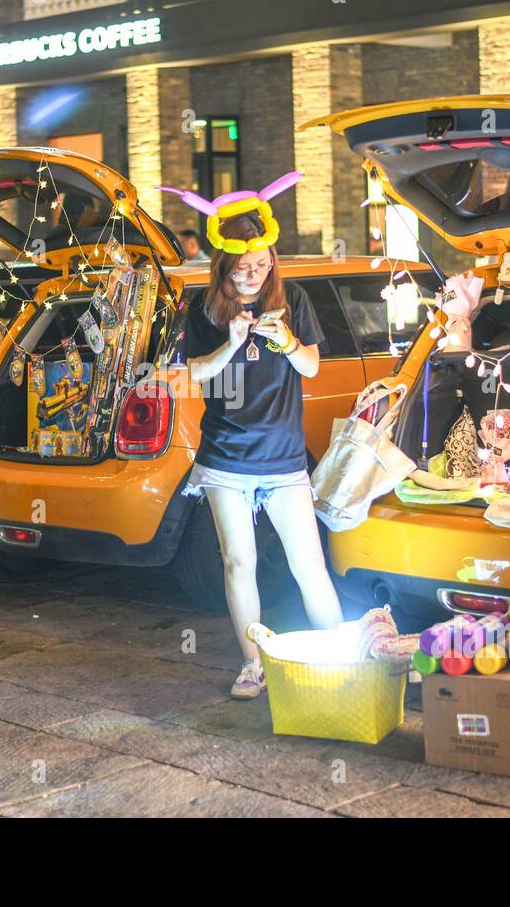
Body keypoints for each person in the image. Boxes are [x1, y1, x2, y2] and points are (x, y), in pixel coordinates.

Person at [183, 212, 343, 698]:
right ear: (222, 266)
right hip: (226, 459)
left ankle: (343, 656)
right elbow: (195, 375)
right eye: (242, 267)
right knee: (238, 563)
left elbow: (312, 367)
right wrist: (231, 345)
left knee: (309, 564)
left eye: (260, 264)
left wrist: (288, 342)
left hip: (284, 460)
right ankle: (253, 664)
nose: (253, 274)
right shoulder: (204, 309)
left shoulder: (292, 299)